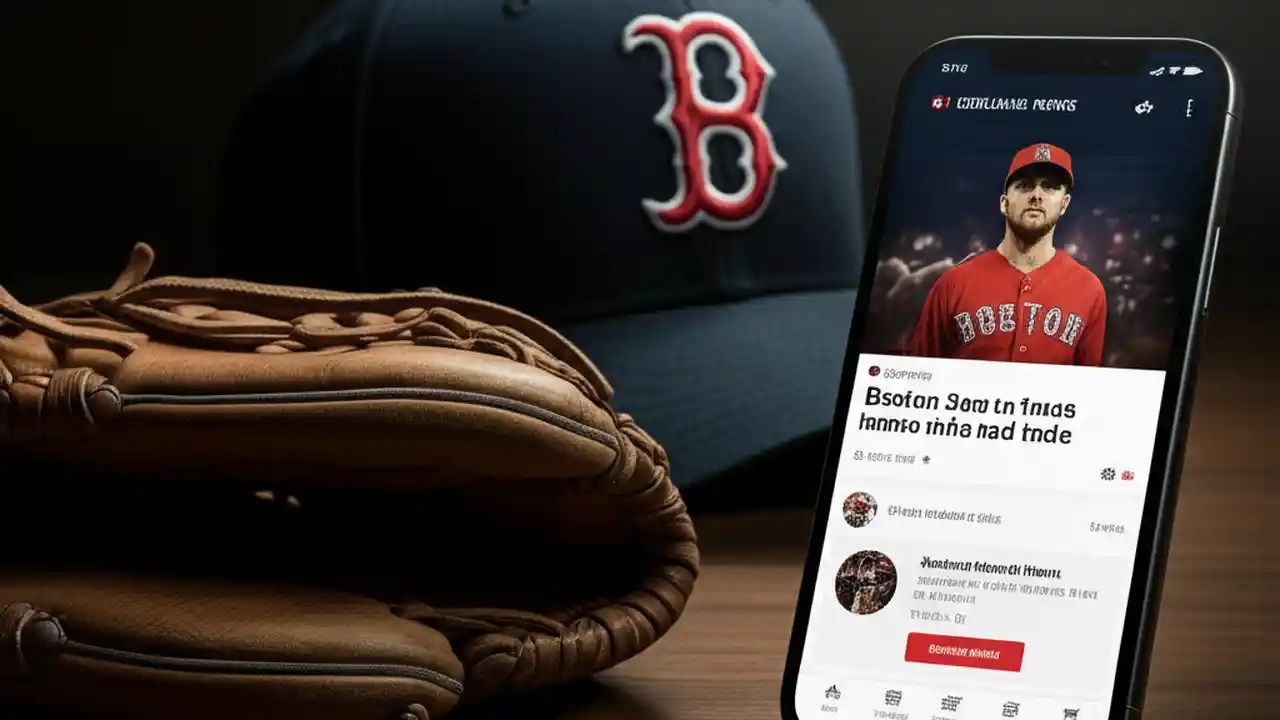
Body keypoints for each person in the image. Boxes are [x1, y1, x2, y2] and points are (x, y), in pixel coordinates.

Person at [904, 143, 1107, 366]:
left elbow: (1088, 383)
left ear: (1064, 204)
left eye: (1049, 187)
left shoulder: (1089, 289)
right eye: (1024, 185)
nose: (1036, 196)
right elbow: (918, 373)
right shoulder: (954, 283)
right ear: (1004, 203)